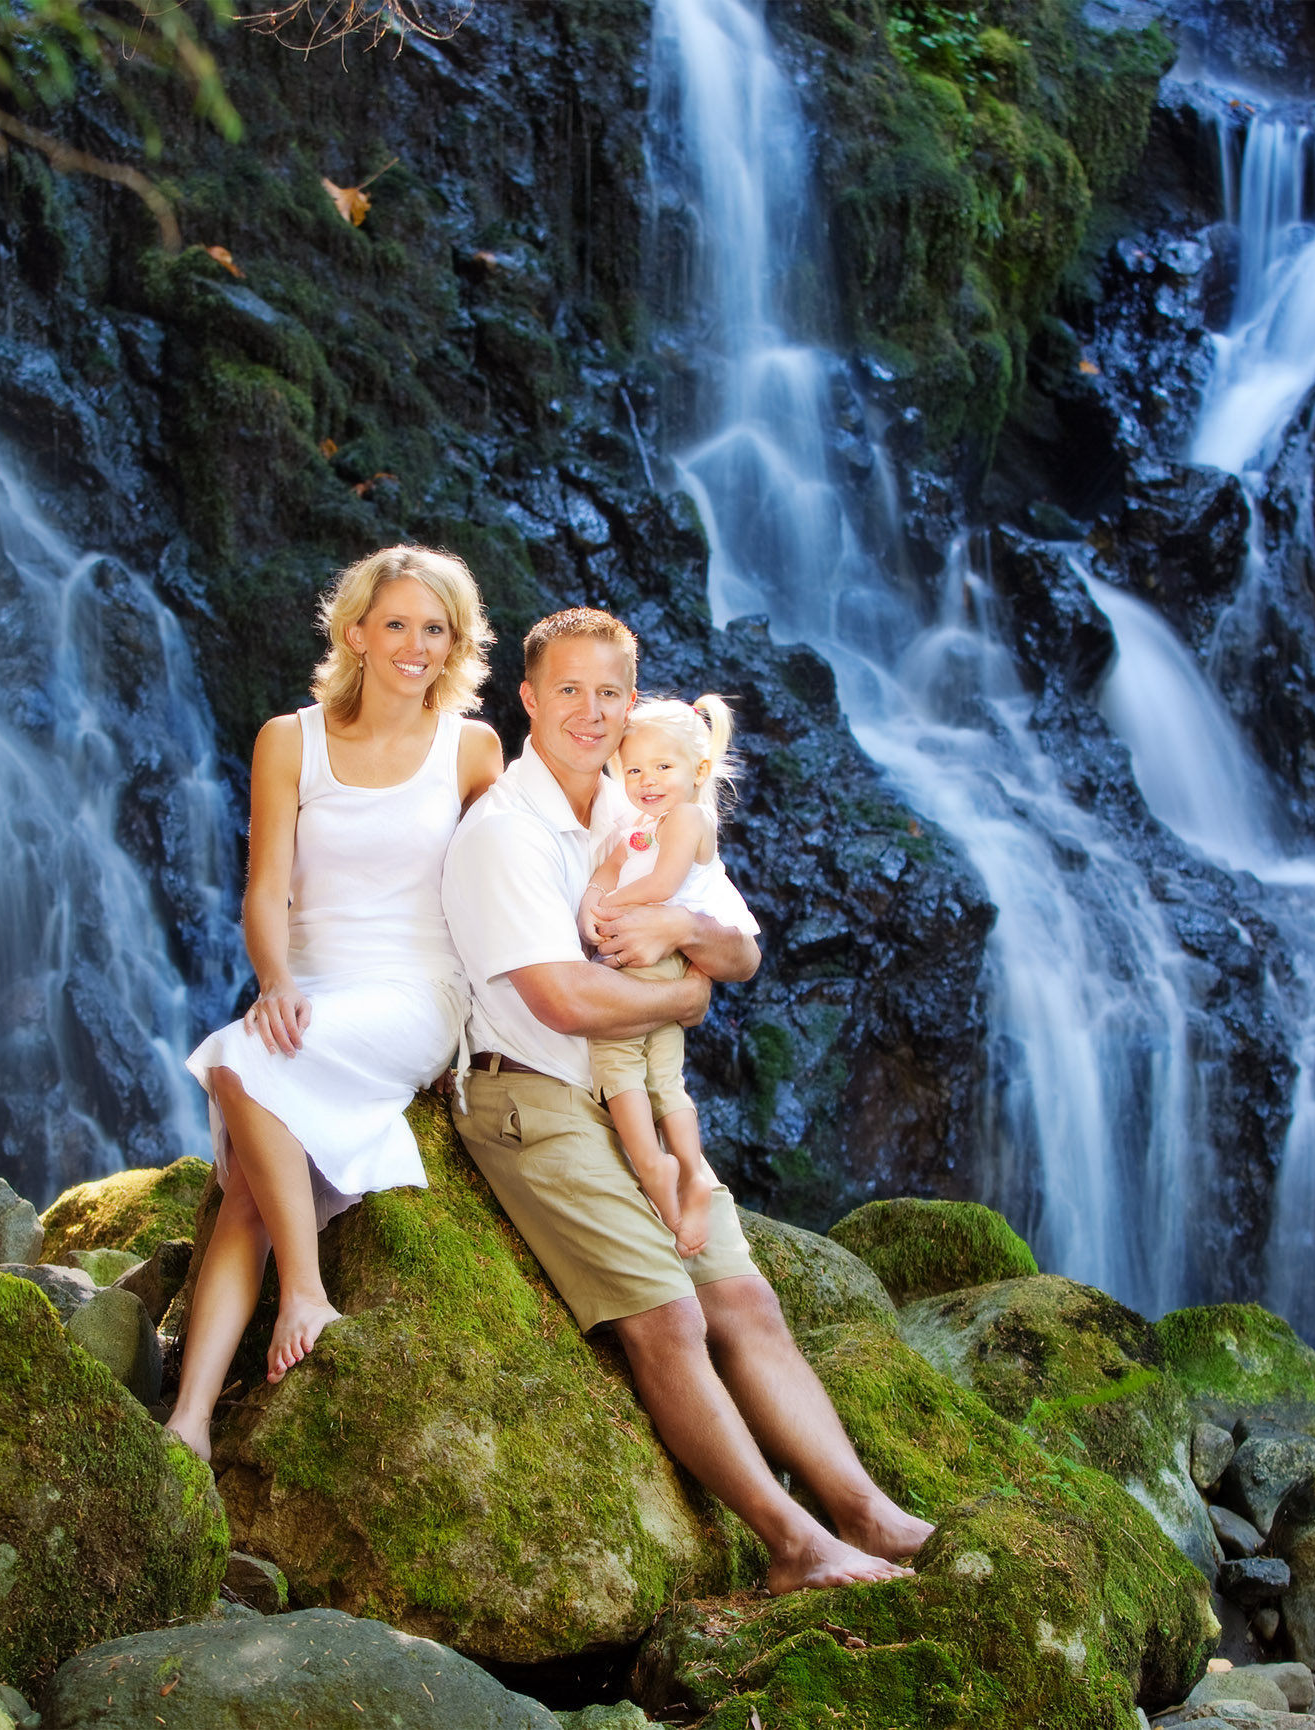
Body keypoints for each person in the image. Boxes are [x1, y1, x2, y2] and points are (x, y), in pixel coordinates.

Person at [441, 608, 934, 1593]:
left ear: (633, 702)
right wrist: (679, 993)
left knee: (744, 1298)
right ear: (527, 697)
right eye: (568, 689)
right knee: (668, 1316)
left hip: (627, 1092)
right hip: (532, 1098)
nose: (590, 711)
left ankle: (864, 1512)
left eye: (608, 692)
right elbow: (563, 998)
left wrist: (678, 928)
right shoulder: (504, 832)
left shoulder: (645, 805)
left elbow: (739, 950)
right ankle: (794, 1545)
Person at [164, 545, 503, 1461]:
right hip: (309, 986)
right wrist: (275, 982)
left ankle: (305, 1291)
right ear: (356, 633)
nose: (415, 646)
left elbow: (505, 887)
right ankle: (191, 1418)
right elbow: (264, 890)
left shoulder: (472, 750)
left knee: (239, 1065)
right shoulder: (290, 739)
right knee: (247, 1185)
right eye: (396, 624)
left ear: (455, 644)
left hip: (415, 988)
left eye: (435, 629)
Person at [580, 694, 744, 1259]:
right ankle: (691, 1178)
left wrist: (607, 911)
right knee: (664, 1078)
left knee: (614, 1056)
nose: (647, 780)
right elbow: (611, 868)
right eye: (633, 770)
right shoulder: (645, 824)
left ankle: (654, 1168)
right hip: (657, 959)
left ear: (699, 770)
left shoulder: (688, 818)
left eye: (663, 767)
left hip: (653, 959)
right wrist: (593, 897)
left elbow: (663, 884)